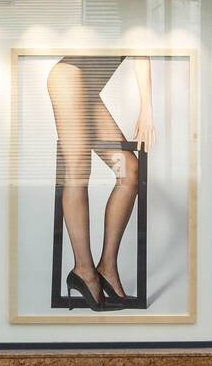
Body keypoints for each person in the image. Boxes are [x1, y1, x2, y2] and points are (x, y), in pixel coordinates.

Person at [46, 55, 155, 310]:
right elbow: (141, 48)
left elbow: (142, 47)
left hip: (85, 87)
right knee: (78, 169)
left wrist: (147, 108)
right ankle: (83, 270)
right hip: (69, 77)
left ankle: (107, 266)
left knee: (129, 169)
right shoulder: (132, 18)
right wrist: (146, 109)